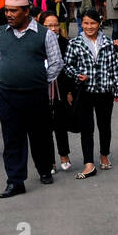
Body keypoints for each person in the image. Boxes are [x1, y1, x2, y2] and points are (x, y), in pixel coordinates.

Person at [0, 0, 63, 198]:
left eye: (14, 11)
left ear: (26, 11)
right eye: (7, 11)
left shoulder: (43, 33)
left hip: (36, 95)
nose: (9, 15)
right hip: (8, 96)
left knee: (40, 136)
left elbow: (56, 62)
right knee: (12, 140)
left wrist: (39, 80)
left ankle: (45, 170)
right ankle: (15, 181)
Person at [64, 9, 118, 179]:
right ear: (81, 24)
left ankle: (104, 155)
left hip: (105, 91)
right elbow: (67, 65)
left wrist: (117, 91)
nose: (89, 27)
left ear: (99, 24)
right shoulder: (74, 43)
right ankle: (88, 163)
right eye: (86, 23)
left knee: (104, 126)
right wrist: (77, 75)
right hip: (84, 92)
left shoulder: (107, 42)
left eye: (93, 23)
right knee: (86, 128)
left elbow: (113, 69)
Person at [41, 12, 75, 172]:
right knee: (45, 127)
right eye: (48, 25)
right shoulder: (37, 43)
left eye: (55, 25)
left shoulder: (65, 43)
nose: (53, 29)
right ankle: (49, 161)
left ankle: (64, 155)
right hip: (42, 89)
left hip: (61, 89)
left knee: (60, 124)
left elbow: (69, 69)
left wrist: (69, 91)